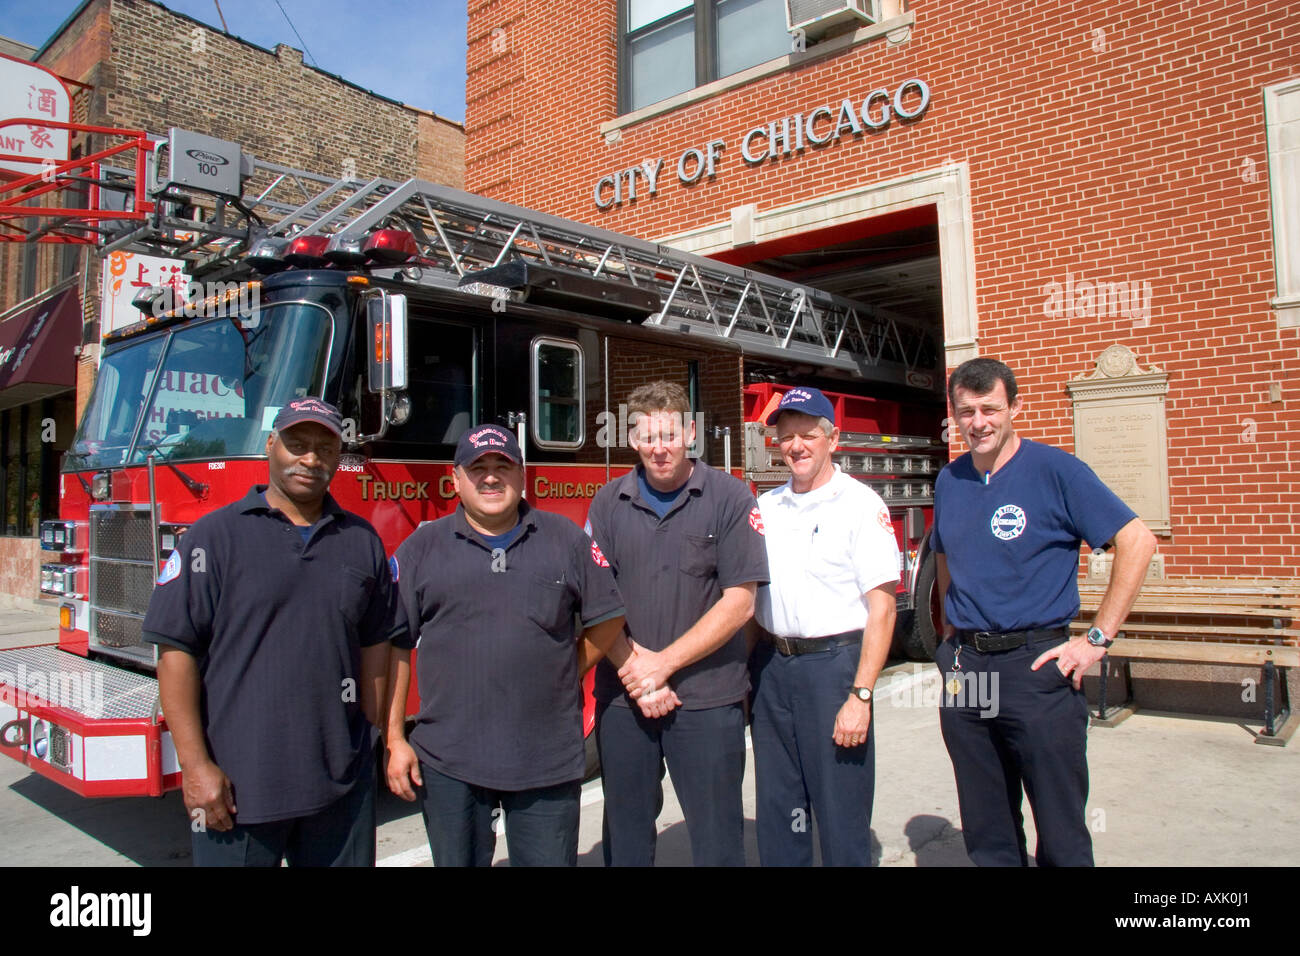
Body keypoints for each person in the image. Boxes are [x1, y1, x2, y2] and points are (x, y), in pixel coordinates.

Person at [143, 397, 399, 866]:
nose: (311, 459)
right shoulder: (213, 537)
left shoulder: (362, 541)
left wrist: (369, 735)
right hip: (238, 791)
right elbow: (175, 650)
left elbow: (375, 642)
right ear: (270, 446)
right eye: (297, 444)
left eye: (325, 448)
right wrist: (195, 766)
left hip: (341, 789)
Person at [932, 357, 1156, 866]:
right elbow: (945, 556)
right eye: (966, 412)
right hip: (967, 669)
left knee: (1059, 827)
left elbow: (1138, 542)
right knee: (986, 824)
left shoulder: (1057, 471)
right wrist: (948, 635)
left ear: (1015, 407)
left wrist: (1096, 639)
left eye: (990, 408)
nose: (978, 422)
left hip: (1035, 667)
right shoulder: (951, 480)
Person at [382, 424, 627, 867]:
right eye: (478, 468)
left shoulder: (566, 539)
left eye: (503, 466)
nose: (491, 477)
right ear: (456, 479)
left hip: (546, 757)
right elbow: (396, 644)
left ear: (522, 475)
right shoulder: (422, 547)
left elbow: (608, 616)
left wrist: (568, 668)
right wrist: (396, 738)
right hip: (450, 759)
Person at [585, 380, 769, 866]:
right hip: (624, 698)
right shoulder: (607, 503)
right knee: (625, 837)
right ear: (632, 438)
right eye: (648, 437)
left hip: (707, 699)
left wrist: (662, 665)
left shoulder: (730, 498)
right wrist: (639, 673)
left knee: (717, 840)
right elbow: (594, 600)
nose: (659, 448)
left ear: (690, 433)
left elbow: (740, 603)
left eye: (669, 435)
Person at [749, 386, 899, 866]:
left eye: (808, 435)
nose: (796, 446)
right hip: (772, 666)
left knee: (840, 808)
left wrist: (861, 697)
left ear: (832, 439)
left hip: (834, 670)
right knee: (779, 806)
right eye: (786, 437)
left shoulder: (860, 505)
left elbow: (883, 609)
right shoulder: (765, 507)